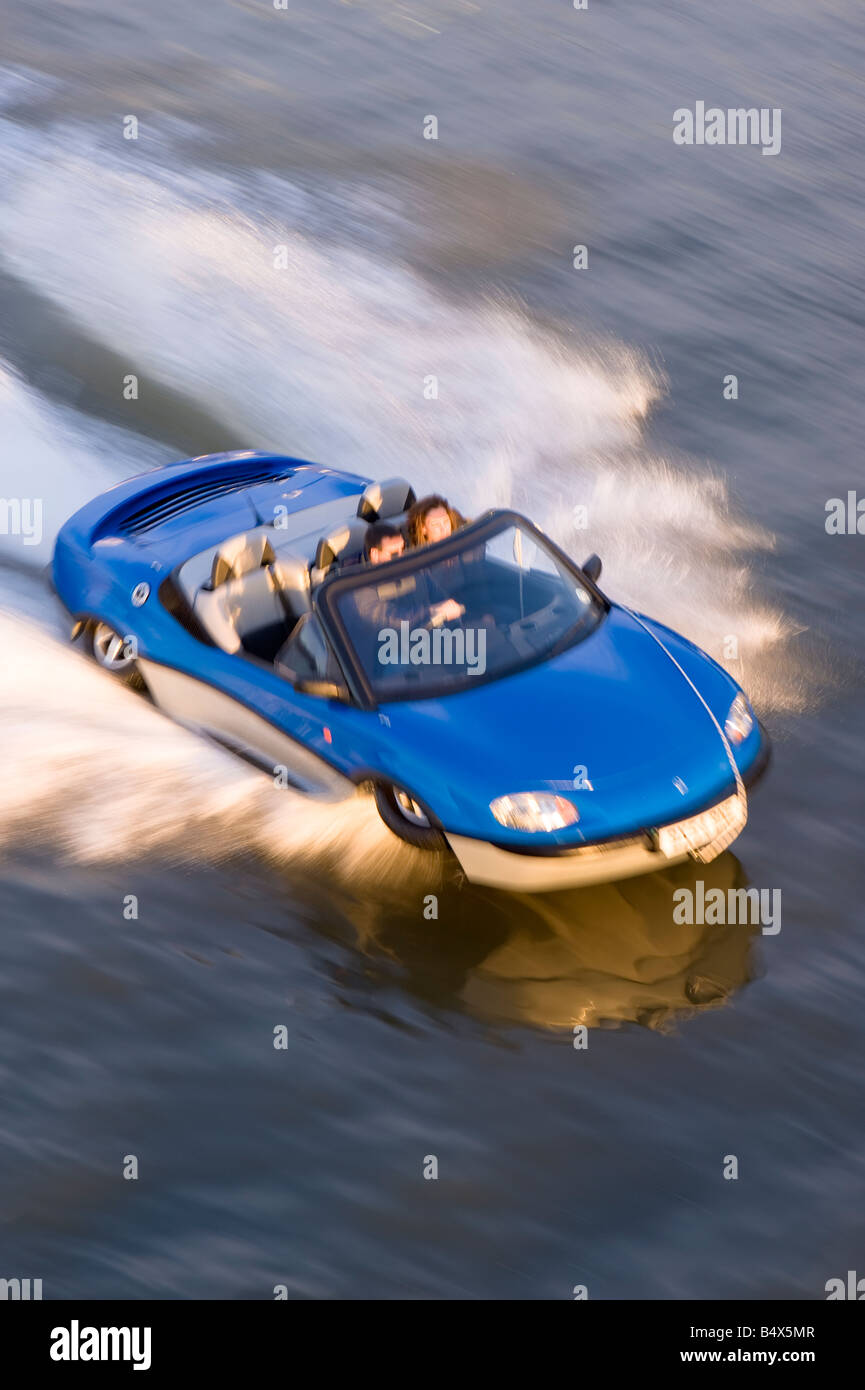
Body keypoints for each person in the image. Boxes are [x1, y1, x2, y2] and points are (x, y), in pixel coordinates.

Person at [352, 520, 463, 630]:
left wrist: (455, 620)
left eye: (402, 549)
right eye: (394, 554)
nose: (401, 557)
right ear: (375, 555)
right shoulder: (361, 587)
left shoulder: (416, 571)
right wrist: (432, 611)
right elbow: (390, 618)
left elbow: (440, 597)